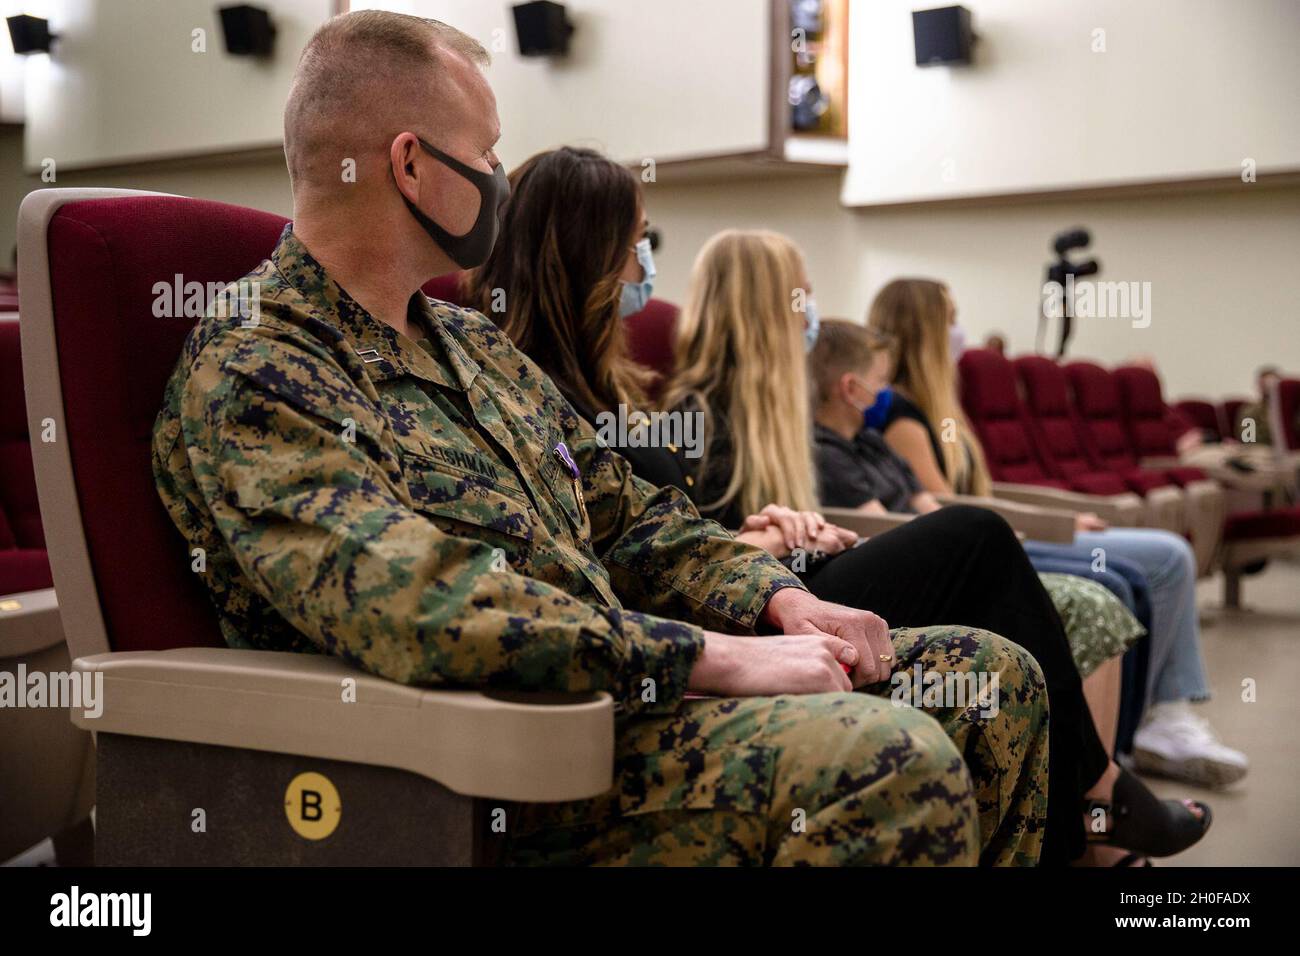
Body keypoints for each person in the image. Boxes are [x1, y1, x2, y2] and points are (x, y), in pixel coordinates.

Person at [152, 11, 1040, 867]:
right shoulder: (259, 362)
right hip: (480, 760)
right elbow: (419, 606)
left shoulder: (467, 343)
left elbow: (633, 515)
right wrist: (714, 659)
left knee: (991, 681)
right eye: (489, 153)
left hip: (610, 703)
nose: (501, 177)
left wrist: (777, 601)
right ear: (411, 166)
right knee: (888, 759)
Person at [868, 277, 1248, 790]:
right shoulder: (901, 413)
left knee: (1167, 555)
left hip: (1004, 529)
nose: (960, 331)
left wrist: (1060, 518)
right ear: (926, 328)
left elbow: (980, 489)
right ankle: (1126, 744)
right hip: (993, 540)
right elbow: (942, 507)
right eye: (951, 318)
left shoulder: (945, 404)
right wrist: (1046, 525)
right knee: (1135, 574)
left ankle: (1158, 720)